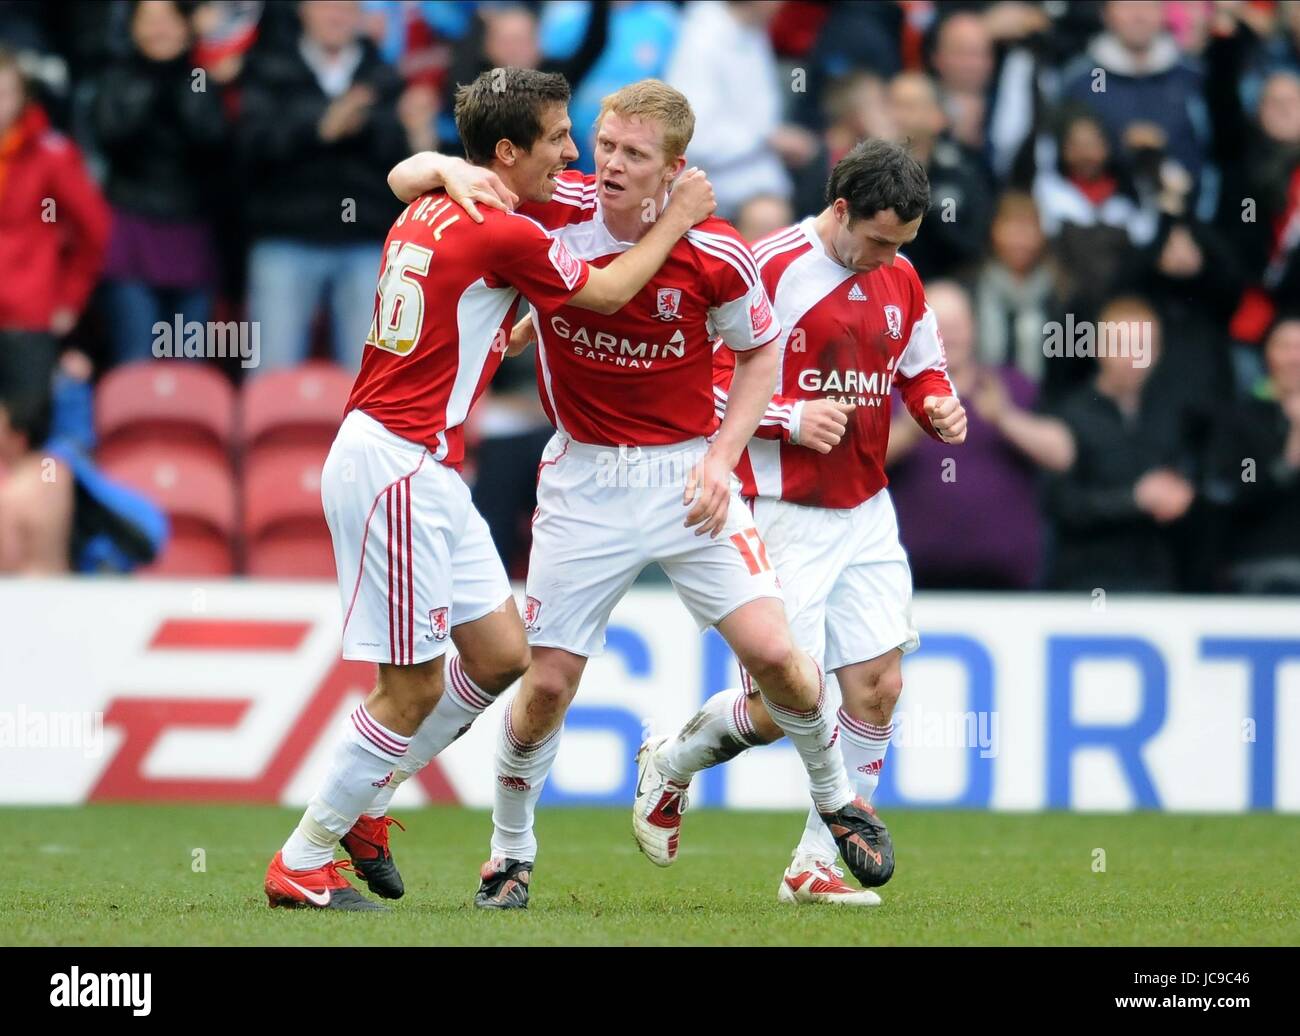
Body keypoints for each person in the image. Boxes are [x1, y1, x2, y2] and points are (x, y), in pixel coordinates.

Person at [384, 80, 892, 911]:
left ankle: (838, 804)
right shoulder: (552, 207)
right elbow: (404, 180)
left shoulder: (720, 254)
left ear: (676, 168)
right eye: (605, 144)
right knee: (544, 686)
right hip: (585, 475)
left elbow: (761, 358)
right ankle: (511, 853)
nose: (609, 165)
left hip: (686, 472)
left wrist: (726, 457)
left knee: (781, 661)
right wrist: (444, 162)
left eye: (633, 155)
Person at [263, 66, 718, 911]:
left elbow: (406, 177)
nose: (573, 152)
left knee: (505, 655)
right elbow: (612, 292)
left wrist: (438, 163)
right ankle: (305, 856)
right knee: (412, 689)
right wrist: (682, 218)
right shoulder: (503, 228)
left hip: (424, 464)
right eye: (558, 139)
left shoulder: (436, 199)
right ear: (507, 152)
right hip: (394, 462)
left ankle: (365, 803)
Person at [632, 139, 967, 906]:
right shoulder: (769, 268)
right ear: (841, 209)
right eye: (878, 239)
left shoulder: (902, 276)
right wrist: (786, 415)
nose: (887, 256)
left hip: (866, 506)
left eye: (902, 244)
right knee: (790, 705)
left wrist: (937, 405)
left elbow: (920, 365)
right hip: (780, 508)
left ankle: (815, 865)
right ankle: (670, 764)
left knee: (878, 687)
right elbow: (700, 382)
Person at [888, 280, 1073, 590]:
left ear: (974, 327)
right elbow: (856, 465)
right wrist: (908, 429)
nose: (948, 335)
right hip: (910, 586)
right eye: (937, 325)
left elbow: (1063, 453)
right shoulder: (890, 390)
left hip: (1007, 589)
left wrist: (1005, 418)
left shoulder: (1010, 385)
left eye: (957, 325)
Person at [93, 0, 227, 364]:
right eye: (148, 20)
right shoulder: (117, 77)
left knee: (188, 361)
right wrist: (153, 90)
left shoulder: (200, 78)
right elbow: (109, 138)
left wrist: (180, 84)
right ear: (132, 28)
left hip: (191, 231)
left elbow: (216, 144)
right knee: (135, 357)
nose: (159, 30)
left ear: (187, 27)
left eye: (169, 20)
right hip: (133, 228)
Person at [0, 47, 109, 411]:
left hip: (27, 315)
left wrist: (68, 298)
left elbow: (95, 230)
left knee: (25, 427)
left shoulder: (51, 154)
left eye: (5, 93)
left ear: (23, 98)